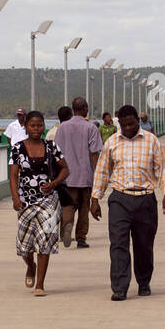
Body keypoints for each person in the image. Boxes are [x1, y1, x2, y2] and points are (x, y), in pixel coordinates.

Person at [90, 105, 165, 300]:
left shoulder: (151, 141)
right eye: (124, 124)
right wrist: (95, 198)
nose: (127, 128)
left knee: (144, 244)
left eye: (131, 124)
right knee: (118, 244)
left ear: (139, 121)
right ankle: (119, 287)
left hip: (145, 198)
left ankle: (144, 281)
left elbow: (161, 168)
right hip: (120, 198)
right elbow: (102, 171)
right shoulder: (111, 142)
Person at [8, 110, 70, 297]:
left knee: (45, 240)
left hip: (48, 200)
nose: (36, 129)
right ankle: (30, 265)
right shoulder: (17, 148)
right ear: (26, 127)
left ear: (43, 127)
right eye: (33, 126)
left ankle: (40, 284)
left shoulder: (51, 146)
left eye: (40, 125)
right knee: (24, 245)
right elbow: (13, 175)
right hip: (25, 200)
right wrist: (15, 198)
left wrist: (54, 183)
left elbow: (65, 169)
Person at [54, 97, 102, 249]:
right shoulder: (91, 128)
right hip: (85, 175)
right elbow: (95, 152)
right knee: (84, 207)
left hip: (67, 176)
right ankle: (81, 238)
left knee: (68, 205)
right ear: (84, 108)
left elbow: (56, 151)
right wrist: (97, 173)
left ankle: (67, 225)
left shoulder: (62, 127)